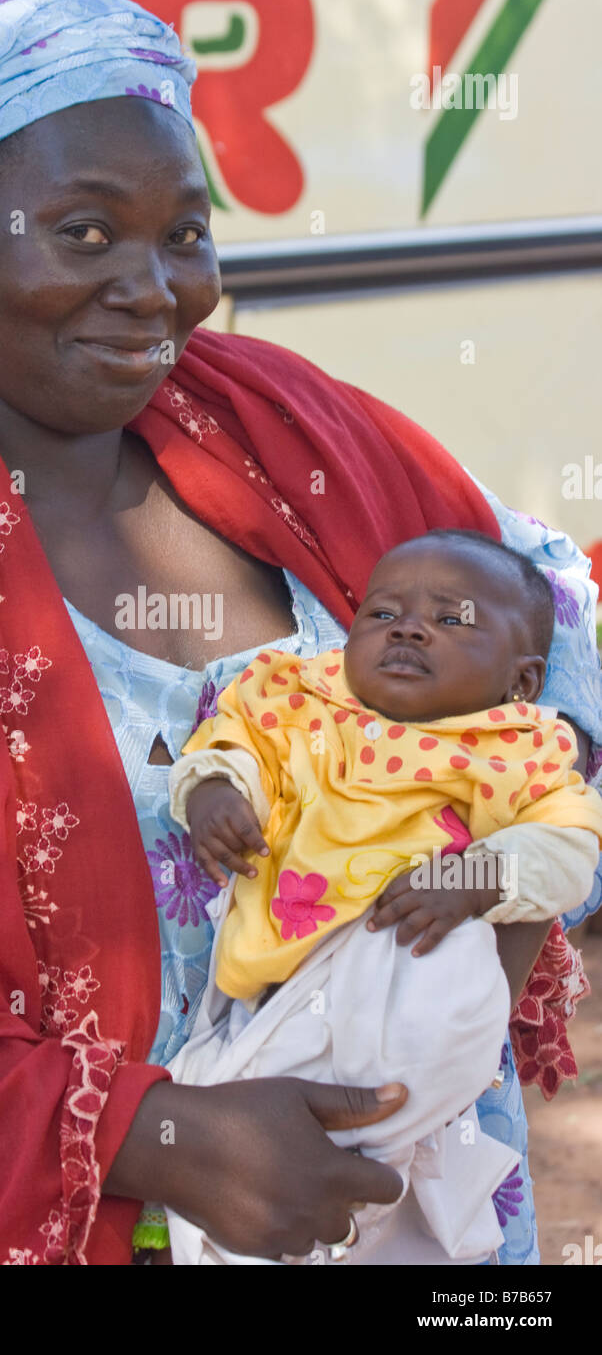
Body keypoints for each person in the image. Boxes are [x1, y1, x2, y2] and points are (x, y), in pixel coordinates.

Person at [0, 0, 599, 1266]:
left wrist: (526, 852)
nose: (151, 292)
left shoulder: (294, 430)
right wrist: (160, 1139)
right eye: (84, 233)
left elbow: (533, 609)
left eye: (183, 236)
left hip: (423, 1220)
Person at [163, 530, 602, 1263]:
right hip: (282, 983)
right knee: (217, 1092)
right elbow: (232, 741)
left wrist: (472, 878)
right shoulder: (301, 701)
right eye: (382, 613)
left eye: (453, 618)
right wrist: (215, 789)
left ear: (521, 683)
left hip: (405, 956)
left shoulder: (513, 746)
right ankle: (299, 1204)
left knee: (453, 986)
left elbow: (570, 854)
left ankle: (370, 1167)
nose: (409, 626)